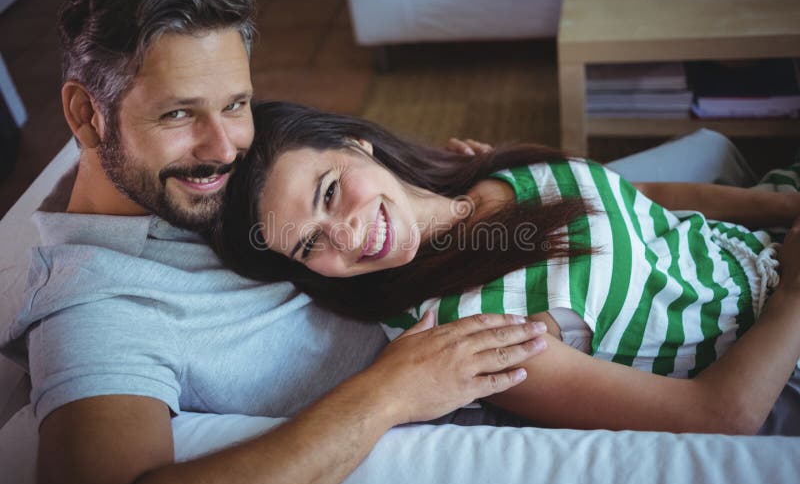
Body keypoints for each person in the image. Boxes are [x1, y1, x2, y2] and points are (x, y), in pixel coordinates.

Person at [0, 0, 551, 484]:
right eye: (178, 113)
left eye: (236, 105)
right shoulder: (96, 305)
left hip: (504, 287)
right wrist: (389, 395)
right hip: (516, 404)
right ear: (84, 115)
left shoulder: (190, 185)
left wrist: (425, 177)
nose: (224, 148)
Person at [216, 100, 800, 435]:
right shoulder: (463, 331)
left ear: (357, 144)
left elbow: (638, 192)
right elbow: (721, 417)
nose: (344, 234)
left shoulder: (489, 172)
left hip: (760, 241)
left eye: (329, 193)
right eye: (309, 245)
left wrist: (783, 207)